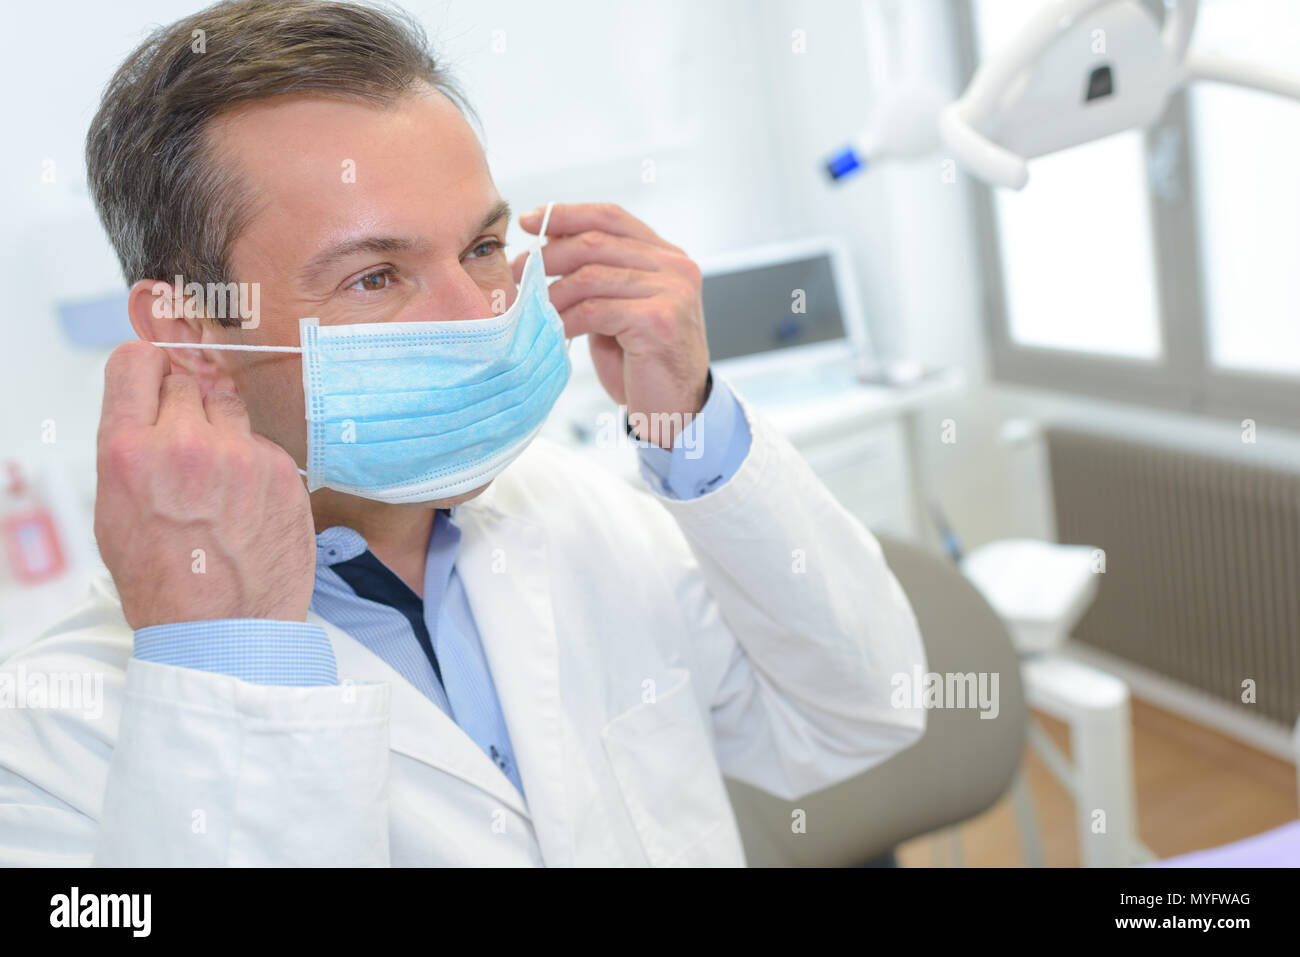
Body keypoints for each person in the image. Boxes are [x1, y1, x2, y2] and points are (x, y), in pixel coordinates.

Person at [0, 0, 927, 866]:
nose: (478, 316)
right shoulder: (52, 741)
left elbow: (861, 715)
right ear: (192, 332)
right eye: (375, 277)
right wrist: (231, 665)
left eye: (483, 249)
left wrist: (686, 418)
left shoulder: (580, 514)